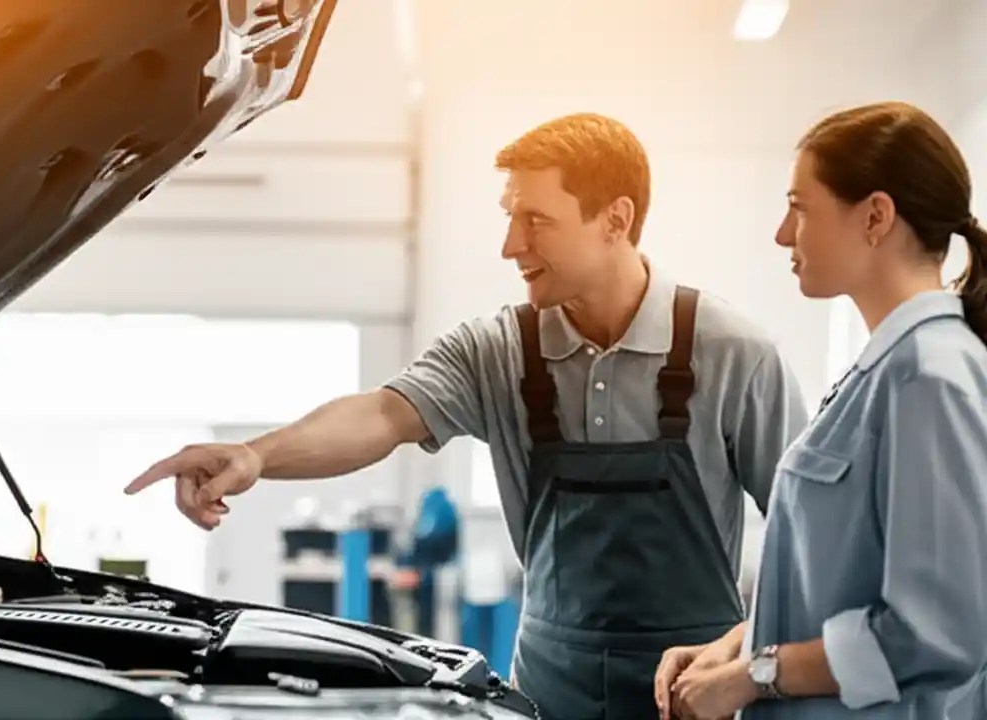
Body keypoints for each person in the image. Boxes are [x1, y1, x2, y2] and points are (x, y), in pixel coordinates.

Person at [125, 113, 808, 718]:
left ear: (616, 219)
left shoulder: (731, 352)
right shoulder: (498, 350)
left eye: (536, 219)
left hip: (694, 693)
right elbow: (382, 415)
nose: (511, 245)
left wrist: (755, 661)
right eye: (509, 217)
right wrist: (257, 457)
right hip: (550, 689)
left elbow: (808, 538)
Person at [654, 101, 987, 720]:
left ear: (875, 217)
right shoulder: (885, 370)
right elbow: (838, 591)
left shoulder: (930, 377)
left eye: (800, 208)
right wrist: (733, 648)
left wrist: (755, 676)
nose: (784, 232)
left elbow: (936, 632)